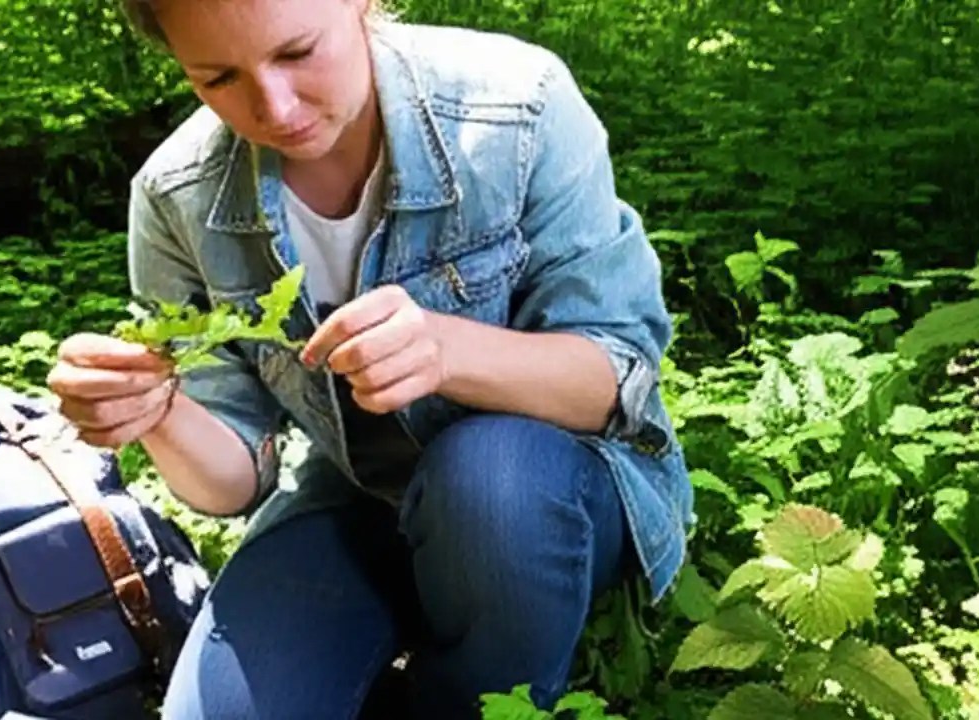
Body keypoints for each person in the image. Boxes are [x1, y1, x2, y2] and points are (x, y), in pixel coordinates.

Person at [46, 0, 694, 716]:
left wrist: (448, 351)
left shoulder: (515, 105)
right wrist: (156, 411)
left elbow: (616, 382)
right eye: (218, 77)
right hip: (357, 495)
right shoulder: (178, 196)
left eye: (297, 53)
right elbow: (234, 483)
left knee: (487, 476)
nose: (275, 107)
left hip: (540, 494)